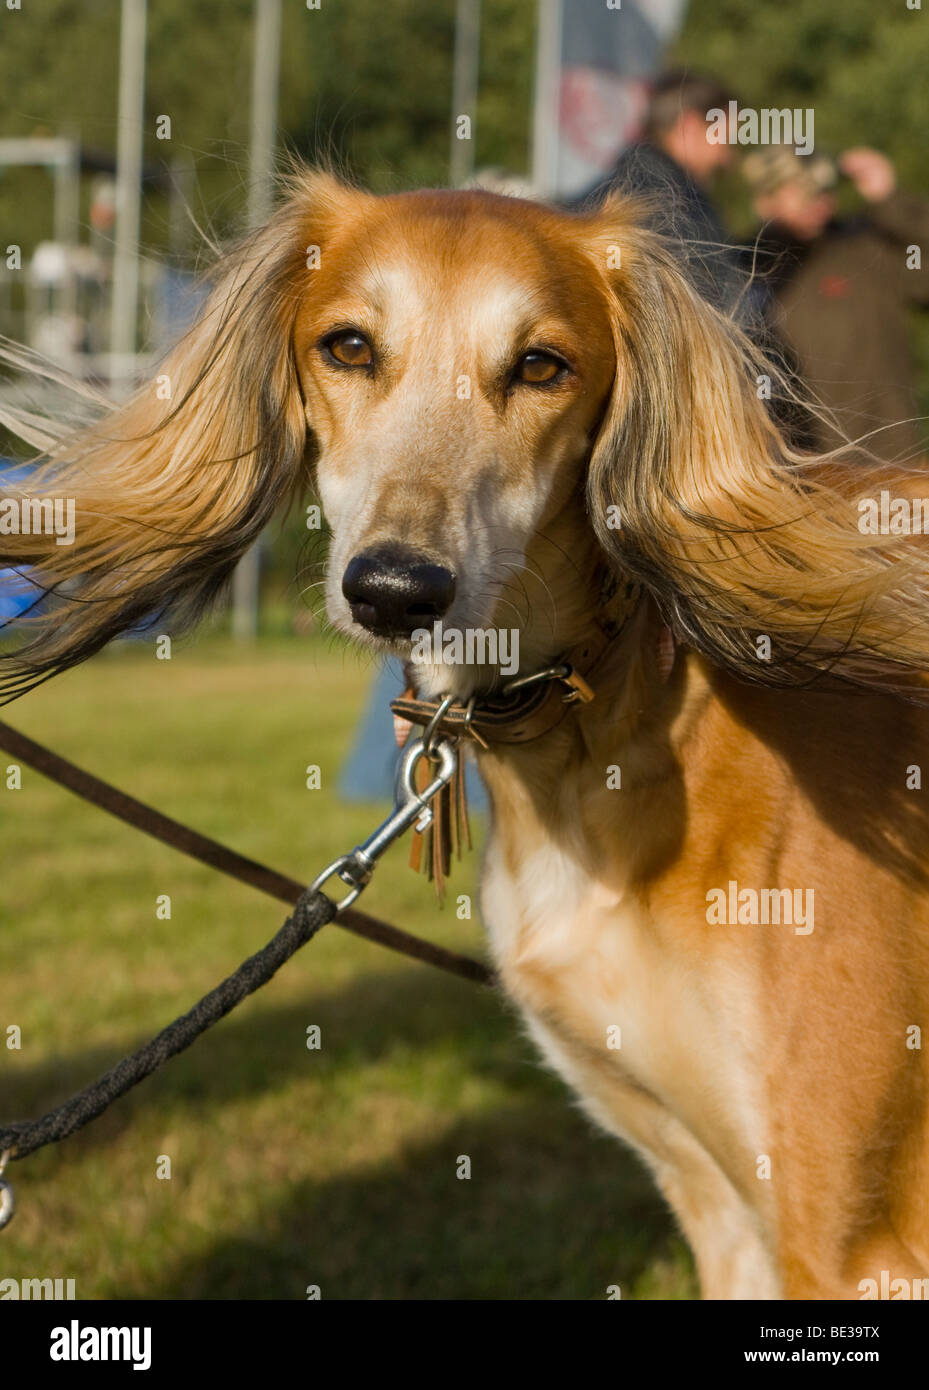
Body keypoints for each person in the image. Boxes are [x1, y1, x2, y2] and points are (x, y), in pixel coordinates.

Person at [744, 145, 929, 463]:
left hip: (889, 465)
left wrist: (890, 200)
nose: (820, 201)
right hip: (796, 471)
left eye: (824, 191)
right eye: (803, 191)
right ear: (765, 199)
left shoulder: (866, 250)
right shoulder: (742, 268)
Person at [573, 71, 746, 317]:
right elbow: (721, 309)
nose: (727, 158)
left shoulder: (596, 199)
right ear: (690, 126)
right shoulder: (677, 212)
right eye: (725, 139)